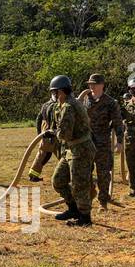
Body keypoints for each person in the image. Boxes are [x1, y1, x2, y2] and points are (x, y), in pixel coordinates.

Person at [44, 75, 94, 227]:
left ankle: (85, 218)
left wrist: (54, 133)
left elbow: (65, 134)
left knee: (80, 185)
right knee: (58, 180)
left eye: (55, 93)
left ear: (61, 92)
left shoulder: (69, 107)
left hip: (81, 150)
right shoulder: (66, 104)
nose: (54, 96)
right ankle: (72, 209)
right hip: (70, 149)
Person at [78, 73, 124, 210]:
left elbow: (118, 123)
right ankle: (88, 199)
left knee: (103, 173)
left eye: (95, 84)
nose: (91, 87)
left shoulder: (111, 102)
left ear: (102, 85)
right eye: (90, 84)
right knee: (85, 172)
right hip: (86, 142)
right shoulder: (85, 100)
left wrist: (120, 141)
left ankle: (103, 201)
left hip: (103, 142)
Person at [27, 87, 60, 182]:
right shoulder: (52, 105)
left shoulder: (47, 105)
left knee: (44, 155)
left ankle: (33, 175)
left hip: (48, 134)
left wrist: (39, 134)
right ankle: (33, 175)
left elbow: (39, 119)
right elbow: (40, 119)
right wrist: (40, 134)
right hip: (50, 135)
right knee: (46, 155)